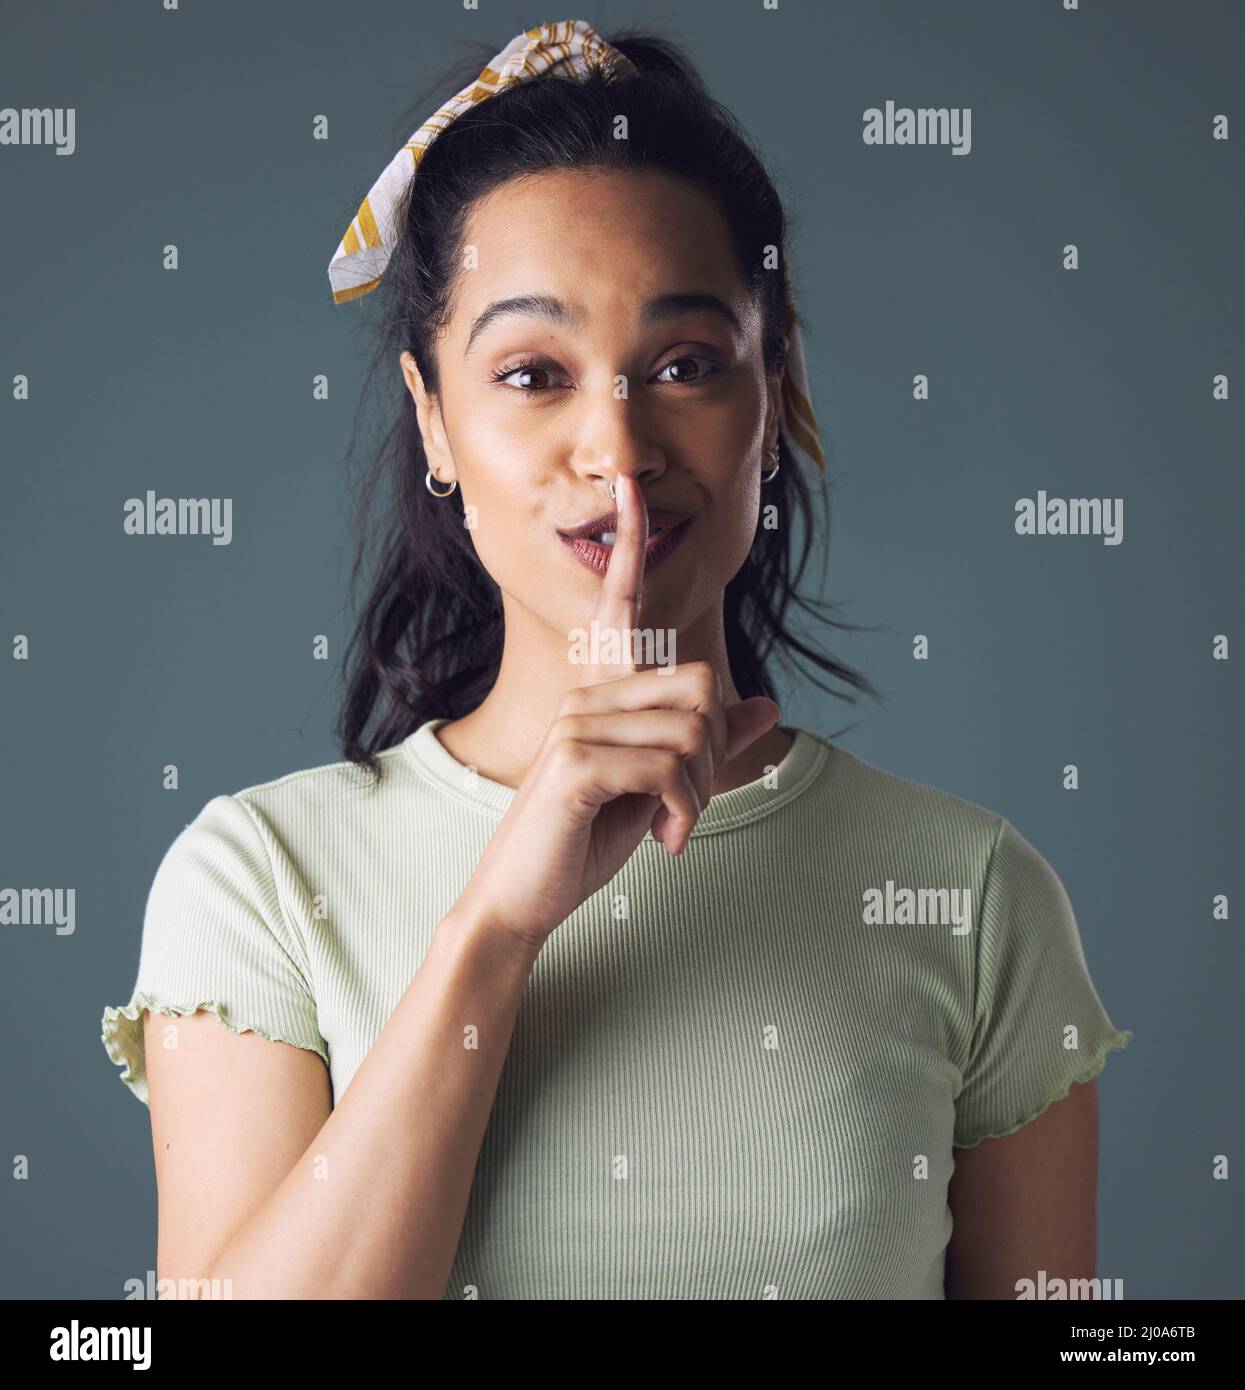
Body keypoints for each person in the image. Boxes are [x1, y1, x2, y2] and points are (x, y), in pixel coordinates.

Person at [100, 20, 1131, 1300]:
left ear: (777, 392)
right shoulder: (255, 882)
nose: (618, 444)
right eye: (534, 373)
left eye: (688, 364)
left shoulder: (971, 895)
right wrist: (496, 924)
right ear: (436, 419)